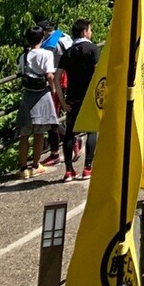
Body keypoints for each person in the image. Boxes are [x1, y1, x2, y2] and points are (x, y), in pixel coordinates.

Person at [15, 27, 59, 180]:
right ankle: (35, 166)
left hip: (28, 95)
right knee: (39, 132)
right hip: (42, 95)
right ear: (42, 38)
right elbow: (49, 75)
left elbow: (21, 72)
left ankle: (23, 168)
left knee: (24, 133)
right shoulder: (47, 54)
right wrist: (53, 89)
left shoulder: (24, 55)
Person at [59, 18, 99, 182]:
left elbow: (57, 77)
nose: (91, 32)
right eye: (90, 29)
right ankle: (87, 167)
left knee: (70, 132)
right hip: (89, 96)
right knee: (92, 130)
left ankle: (68, 170)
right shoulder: (92, 49)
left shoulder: (68, 52)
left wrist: (62, 101)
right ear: (84, 32)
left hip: (72, 98)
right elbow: (98, 72)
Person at [37, 20, 72, 165]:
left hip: (56, 82)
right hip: (64, 79)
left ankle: (58, 150)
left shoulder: (51, 45)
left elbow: (50, 69)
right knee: (53, 116)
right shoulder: (64, 36)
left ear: (45, 31)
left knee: (52, 117)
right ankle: (57, 149)